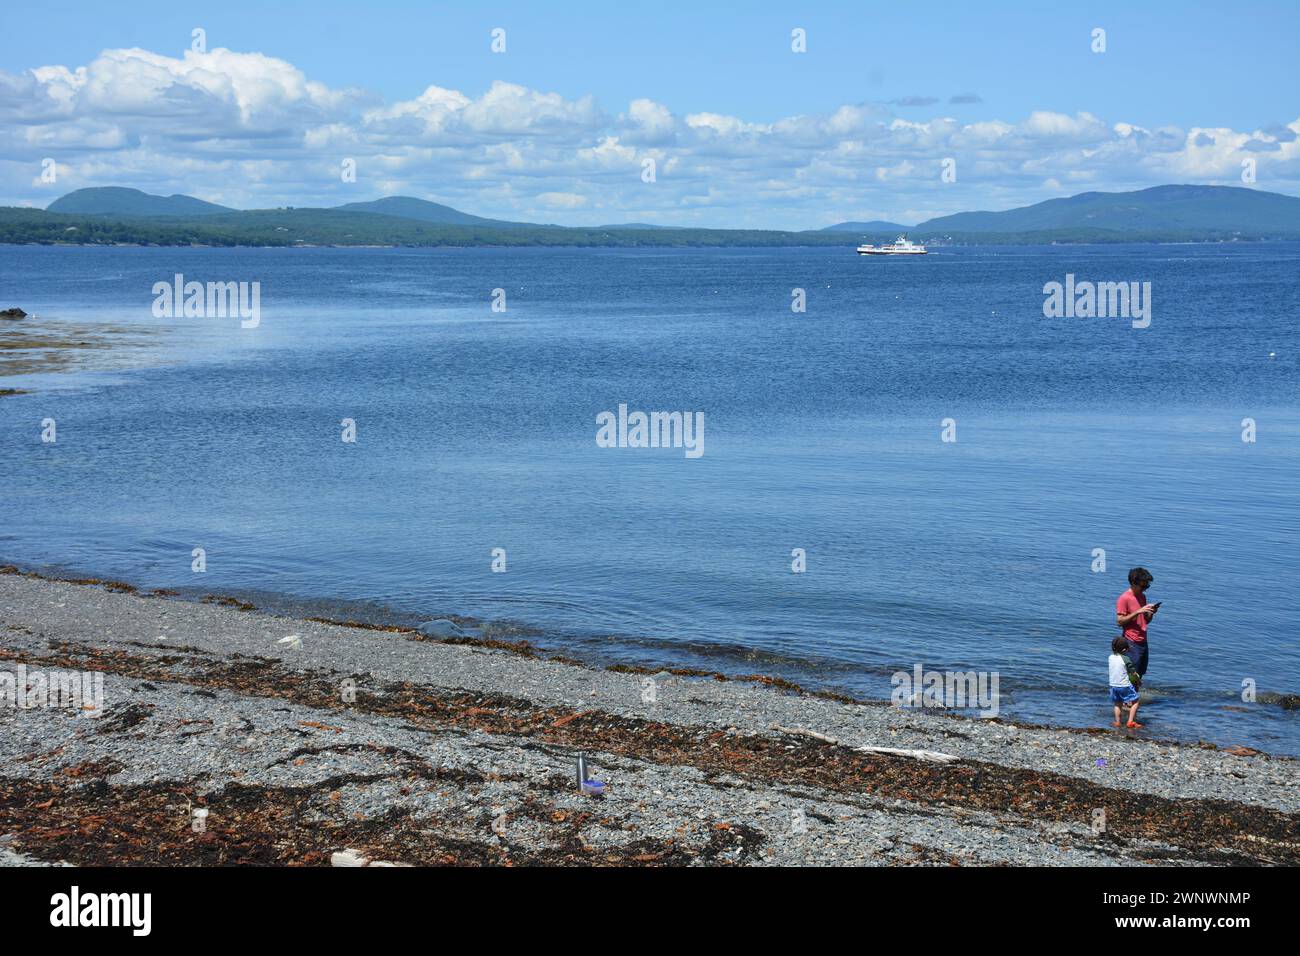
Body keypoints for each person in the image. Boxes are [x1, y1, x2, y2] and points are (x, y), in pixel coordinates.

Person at [1116, 566, 1158, 678]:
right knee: (1132, 675)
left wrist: (1151, 613)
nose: (1145, 588)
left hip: (1143, 640)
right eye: (1143, 585)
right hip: (1130, 641)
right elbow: (1119, 622)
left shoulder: (1142, 597)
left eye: (1147, 585)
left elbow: (1145, 621)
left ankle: (1135, 693)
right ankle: (1130, 694)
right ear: (1134, 583)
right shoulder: (1124, 598)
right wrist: (1138, 611)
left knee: (1140, 673)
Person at [1108, 636, 1142, 728]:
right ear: (1124, 650)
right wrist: (1138, 681)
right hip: (1124, 685)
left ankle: (1118, 722)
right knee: (1135, 701)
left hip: (1113, 685)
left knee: (1117, 704)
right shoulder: (1126, 659)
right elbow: (1133, 672)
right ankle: (1130, 721)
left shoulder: (1110, 657)